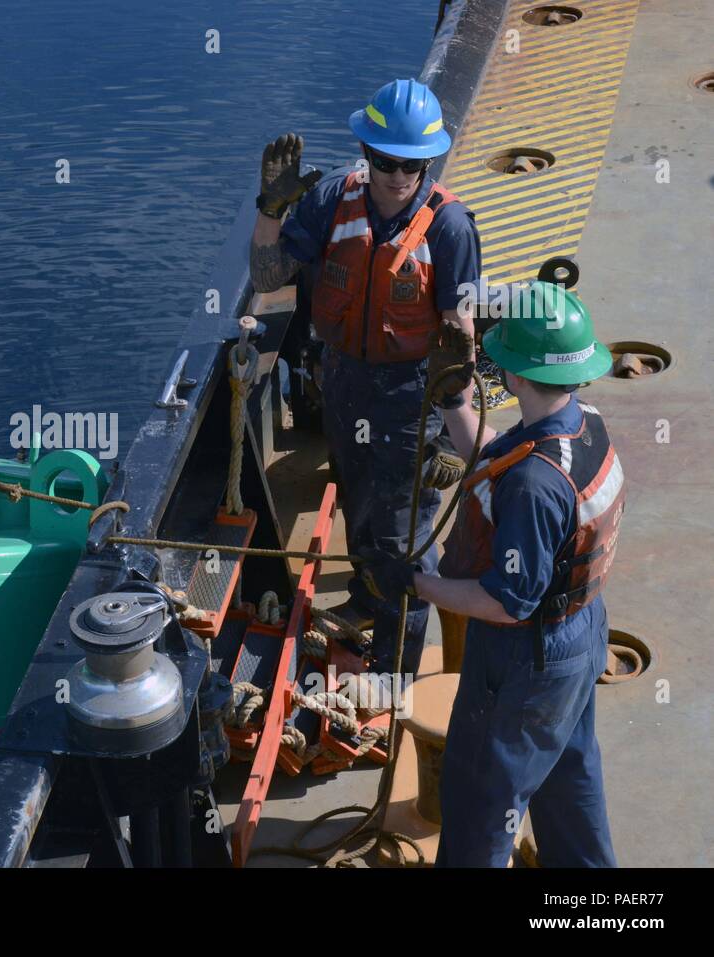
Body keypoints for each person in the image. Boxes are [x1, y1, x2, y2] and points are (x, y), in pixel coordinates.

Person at [362, 282, 623, 867]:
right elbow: (492, 457)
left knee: (483, 799)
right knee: (568, 781)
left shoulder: (534, 486)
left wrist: (415, 583)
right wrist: (455, 398)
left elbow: (509, 603)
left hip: (523, 657)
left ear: (516, 374)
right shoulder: (584, 427)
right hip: (580, 640)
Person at [250, 78, 481, 678]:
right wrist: (271, 211)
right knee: (359, 501)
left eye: (413, 164)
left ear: (428, 162)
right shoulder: (333, 199)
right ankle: (366, 596)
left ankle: (395, 666)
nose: (398, 175)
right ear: (366, 153)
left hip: (411, 396)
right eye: (385, 160)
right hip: (345, 380)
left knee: (405, 534)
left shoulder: (450, 229)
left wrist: (449, 433)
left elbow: (458, 336)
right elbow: (271, 273)